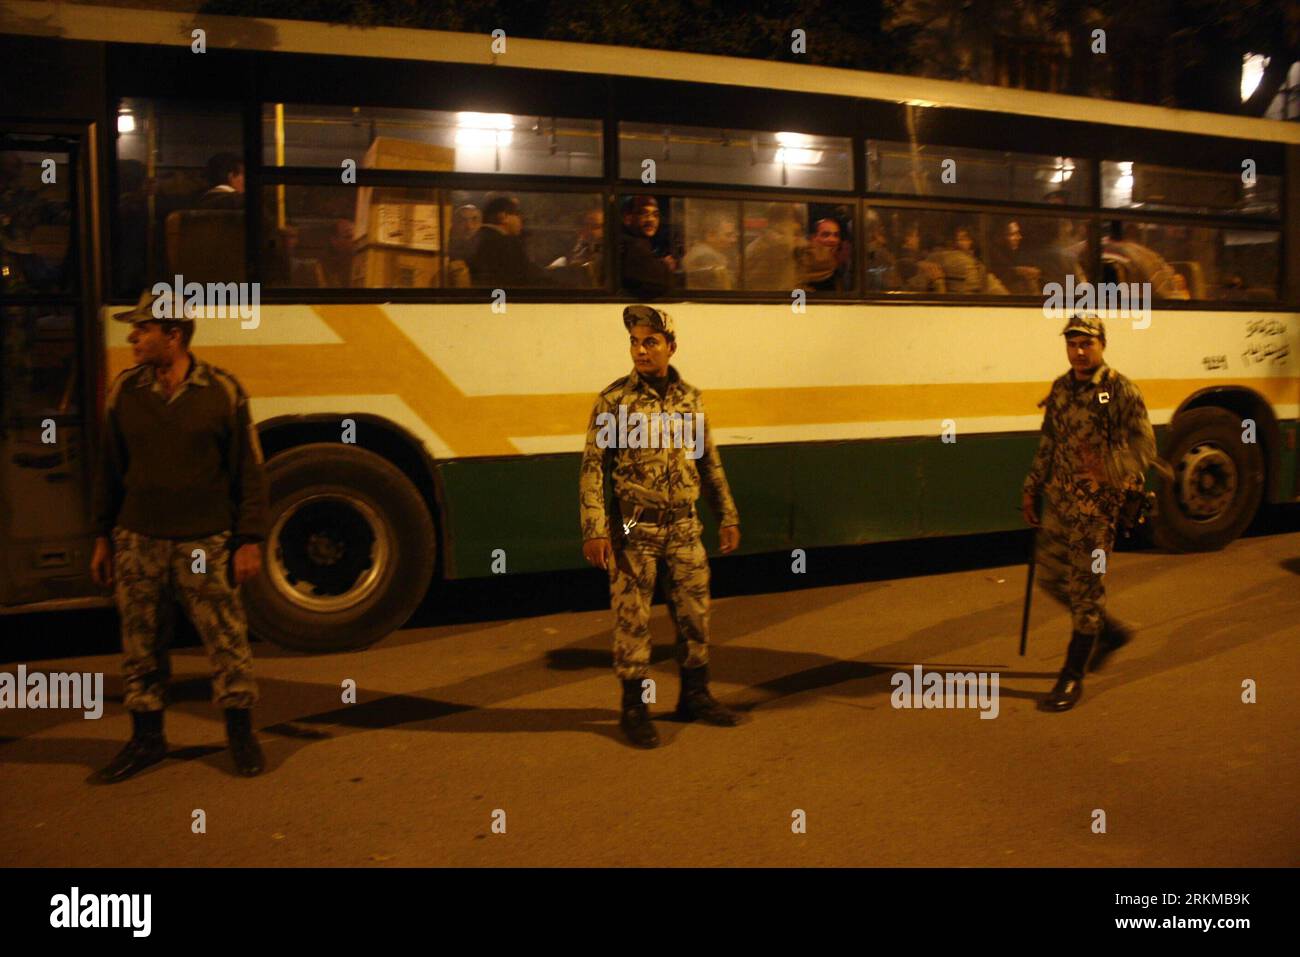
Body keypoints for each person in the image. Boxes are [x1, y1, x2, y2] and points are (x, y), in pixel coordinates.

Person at [89, 290, 270, 781]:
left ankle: (240, 736)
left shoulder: (223, 390)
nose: (132, 336)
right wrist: (103, 536)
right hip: (138, 543)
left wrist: (249, 539)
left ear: (174, 336)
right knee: (140, 647)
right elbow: (109, 470)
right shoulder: (124, 391)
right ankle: (147, 740)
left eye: (142, 328)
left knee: (226, 642)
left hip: (203, 545)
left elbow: (248, 473)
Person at [579, 305, 741, 748]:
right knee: (632, 620)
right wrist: (595, 529)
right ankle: (634, 708)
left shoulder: (690, 398)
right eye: (634, 341)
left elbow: (708, 462)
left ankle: (696, 696)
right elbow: (594, 468)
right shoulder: (614, 401)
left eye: (650, 341)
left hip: (685, 526)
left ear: (670, 346)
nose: (640, 349)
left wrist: (726, 515)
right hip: (633, 526)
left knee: (695, 614)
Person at [1021, 315, 1163, 712]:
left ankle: (1071, 677)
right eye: (1073, 344)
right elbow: (1048, 441)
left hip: (1097, 510)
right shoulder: (1061, 388)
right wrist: (1032, 487)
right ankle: (1109, 631)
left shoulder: (1120, 390)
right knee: (1050, 578)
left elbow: (1145, 446)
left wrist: (1111, 467)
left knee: (1086, 590)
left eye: (1087, 344)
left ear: (1102, 345)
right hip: (1061, 502)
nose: (1079, 352)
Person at [468, 195, 555, 288]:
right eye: (517, 214)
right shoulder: (506, 243)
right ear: (502, 216)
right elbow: (530, 277)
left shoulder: (476, 238)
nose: (520, 220)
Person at [620, 195, 676, 297]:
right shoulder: (632, 246)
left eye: (656, 215)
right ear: (627, 218)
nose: (651, 220)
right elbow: (656, 284)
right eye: (643, 213)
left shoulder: (642, 243)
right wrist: (666, 267)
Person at [743, 203, 804, 291]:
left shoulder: (796, 248)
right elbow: (753, 285)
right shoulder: (758, 250)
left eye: (797, 233)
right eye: (794, 233)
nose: (795, 238)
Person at [681, 209, 738, 290]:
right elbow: (722, 289)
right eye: (728, 235)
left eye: (734, 235)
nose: (734, 240)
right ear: (710, 236)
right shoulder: (705, 257)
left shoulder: (710, 253)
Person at [800, 217, 846, 292]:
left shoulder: (838, 264)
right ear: (813, 238)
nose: (832, 240)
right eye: (825, 235)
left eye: (836, 235)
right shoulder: (804, 262)